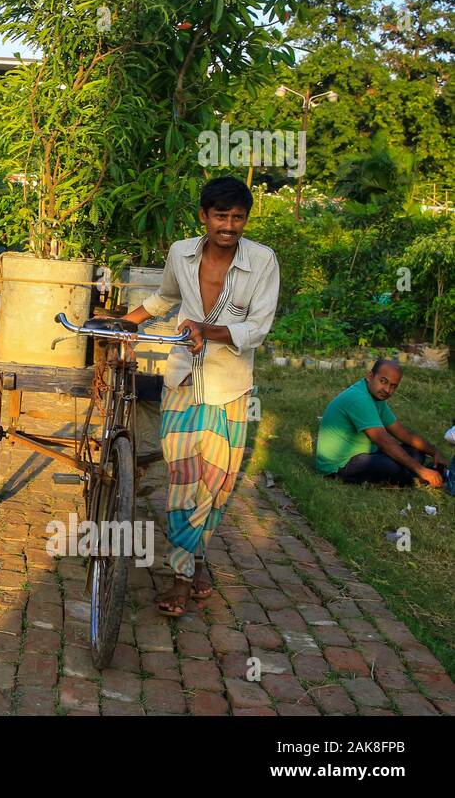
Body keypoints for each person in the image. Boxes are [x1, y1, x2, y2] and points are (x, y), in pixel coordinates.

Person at [121, 176, 280, 617]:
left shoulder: (263, 261)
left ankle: (195, 559)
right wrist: (125, 322)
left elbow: (259, 328)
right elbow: (166, 297)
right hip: (183, 383)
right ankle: (181, 576)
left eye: (238, 218)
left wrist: (207, 330)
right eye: (221, 216)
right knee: (184, 483)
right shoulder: (180, 253)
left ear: (245, 219)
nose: (229, 226)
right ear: (203, 217)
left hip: (231, 389)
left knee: (217, 485)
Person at [315, 360, 447, 488]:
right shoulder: (359, 399)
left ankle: (408, 476)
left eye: (393, 386)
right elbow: (384, 443)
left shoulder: (376, 396)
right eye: (383, 381)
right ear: (370, 376)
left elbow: (404, 434)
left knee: (416, 452)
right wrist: (421, 470)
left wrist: (435, 452)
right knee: (392, 466)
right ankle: (412, 479)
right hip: (339, 466)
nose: (387, 390)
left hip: (365, 454)